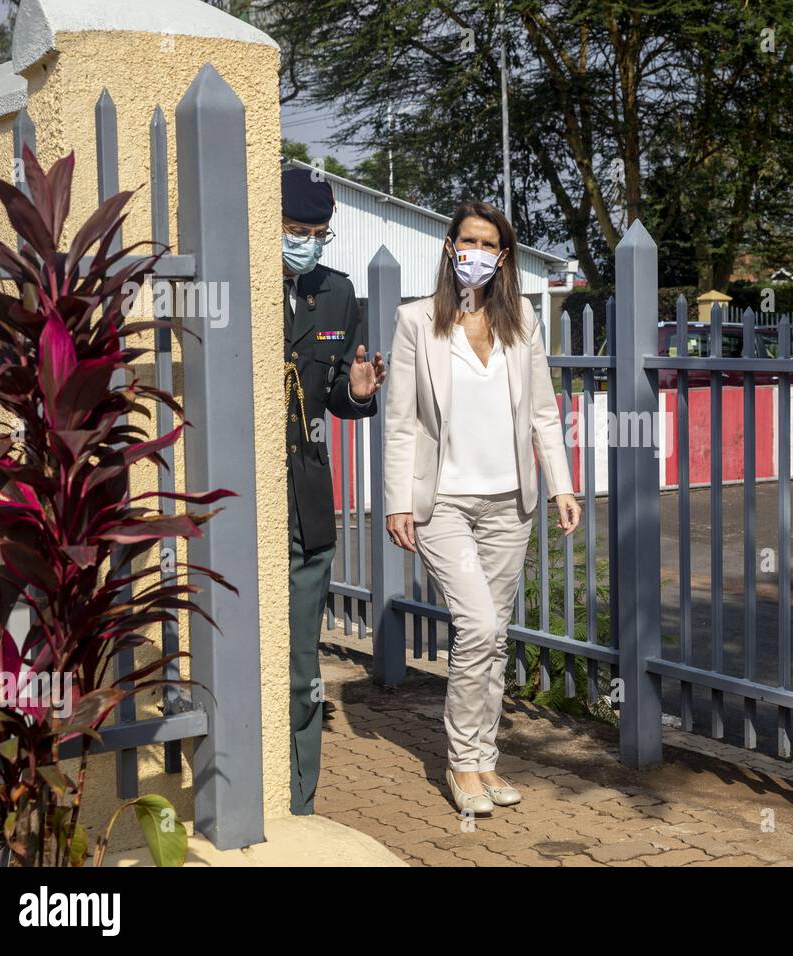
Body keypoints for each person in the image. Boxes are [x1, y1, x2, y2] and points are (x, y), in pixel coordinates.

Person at [382, 201, 580, 816]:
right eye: (467, 240)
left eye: (488, 244)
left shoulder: (521, 317)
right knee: (480, 627)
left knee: (493, 641)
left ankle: (485, 759)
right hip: (441, 502)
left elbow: (544, 411)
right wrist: (396, 502)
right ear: (449, 248)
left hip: (509, 502)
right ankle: (461, 763)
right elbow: (399, 421)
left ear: (503, 255)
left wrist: (561, 485)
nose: (476, 252)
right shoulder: (417, 321)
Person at [282, 167, 387, 815]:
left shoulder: (338, 295)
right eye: (298, 232)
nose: (311, 245)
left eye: (321, 234)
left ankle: (299, 801)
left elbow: (335, 399)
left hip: (306, 502)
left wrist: (358, 392)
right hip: (238, 503)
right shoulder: (234, 284)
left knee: (301, 665)